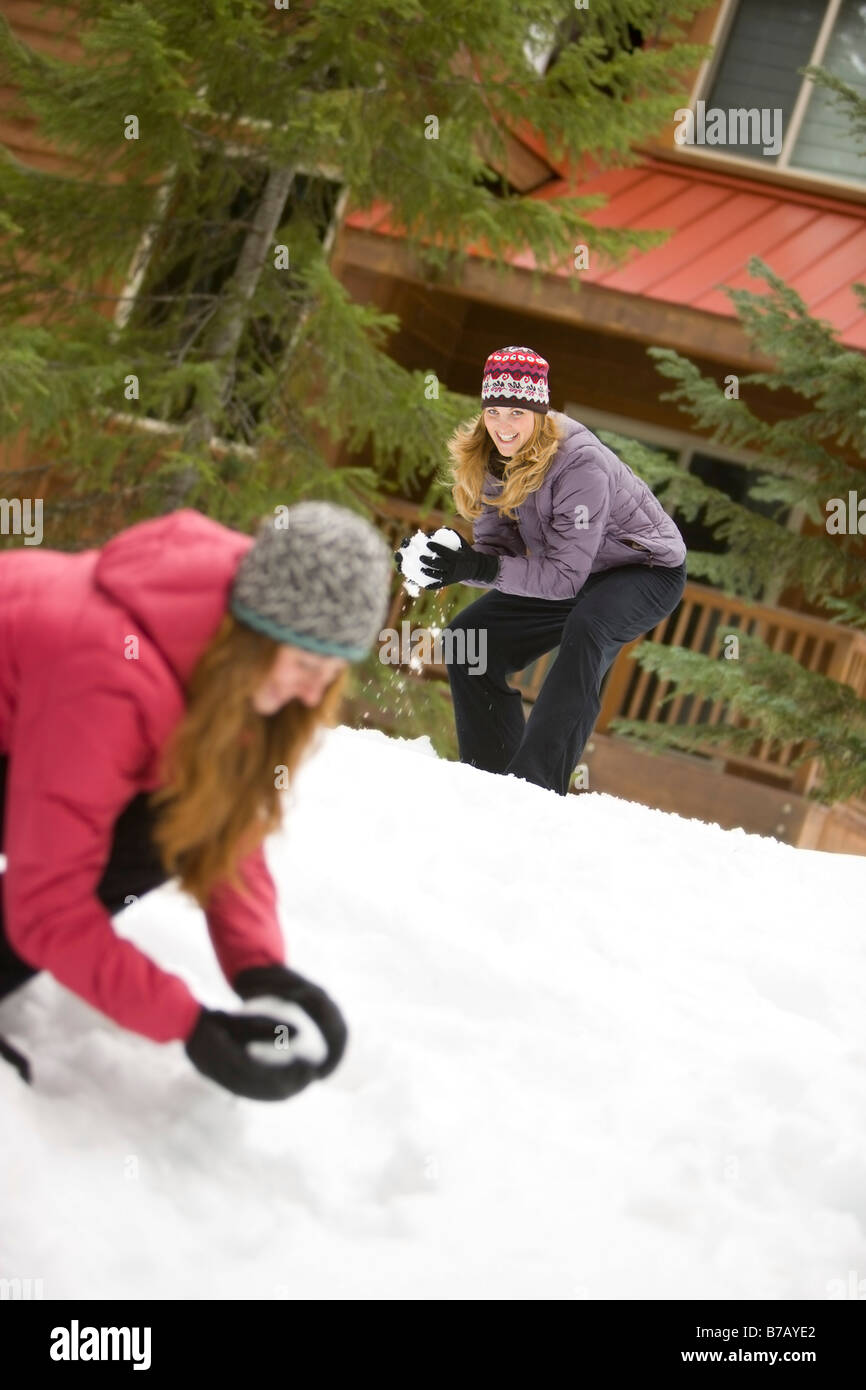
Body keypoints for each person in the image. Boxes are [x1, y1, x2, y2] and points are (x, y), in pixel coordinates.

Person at [0, 502, 391, 1098]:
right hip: (48, 706)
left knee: (173, 822)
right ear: (255, 640)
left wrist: (261, 969)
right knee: (147, 835)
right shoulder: (109, 666)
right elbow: (47, 907)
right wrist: (188, 1023)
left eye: (333, 671)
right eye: (307, 664)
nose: (314, 693)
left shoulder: (221, 640)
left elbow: (221, 821)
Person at [397, 345, 687, 797]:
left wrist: (478, 566)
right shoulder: (489, 458)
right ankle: (490, 778)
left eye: (516, 411)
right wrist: (449, 563)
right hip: (573, 570)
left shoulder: (580, 463)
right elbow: (497, 553)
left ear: (539, 411)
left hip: (644, 570)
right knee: (468, 639)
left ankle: (535, 786)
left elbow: (562, 580)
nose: (503, 425)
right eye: (493, 411)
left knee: (588, 626)